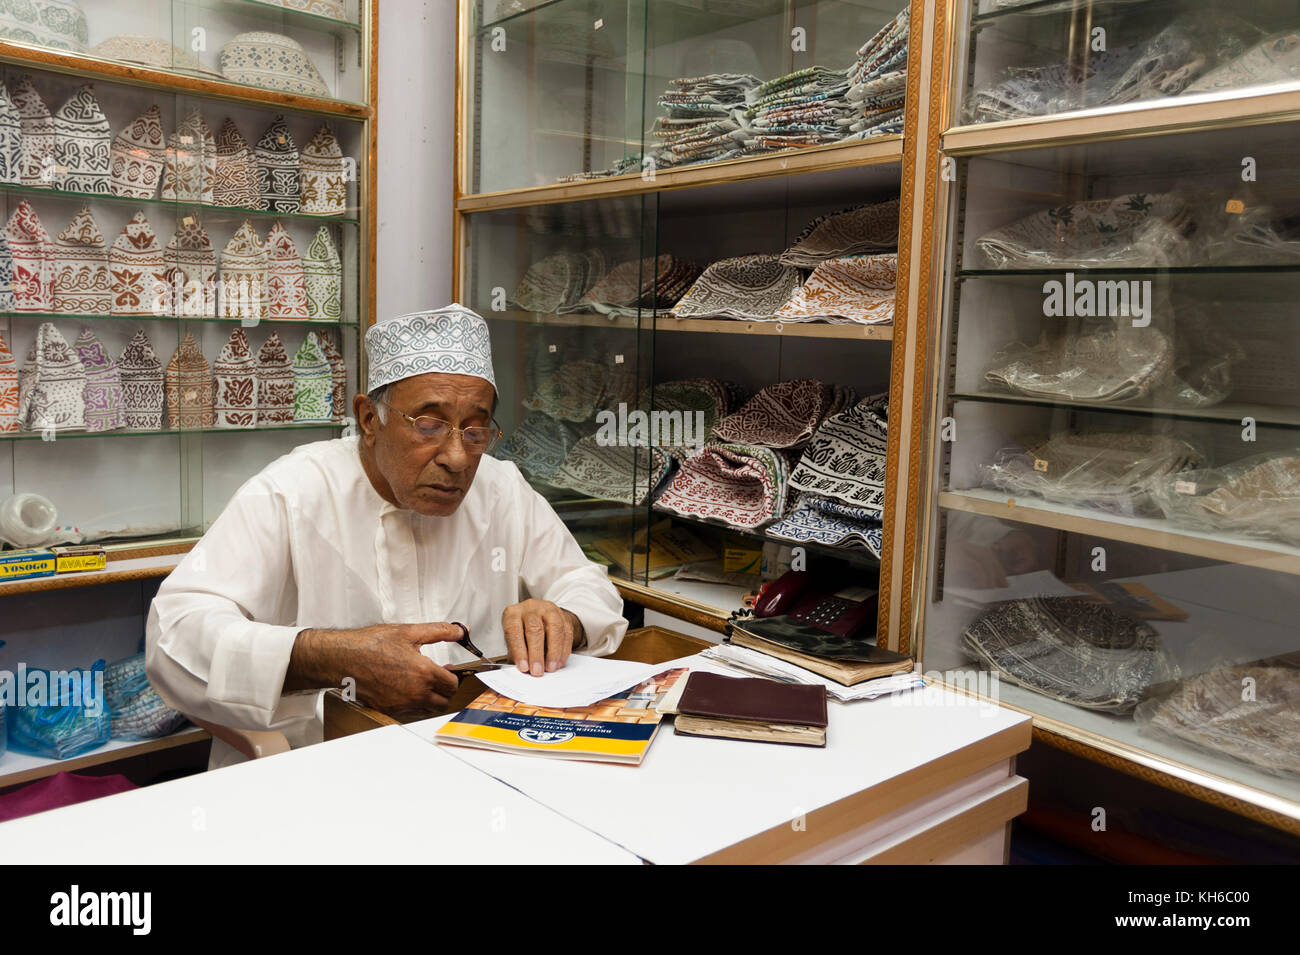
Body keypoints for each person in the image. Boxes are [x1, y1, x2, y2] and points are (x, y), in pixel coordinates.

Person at [146, 305, 628, 768]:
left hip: (480, 758)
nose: (458, 458)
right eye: (429, 425)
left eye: (476, 429)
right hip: (323, 771)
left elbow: (587, 587)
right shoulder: (293, 491)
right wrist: (332, 656)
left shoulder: (502, 488)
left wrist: (563, 618)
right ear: (369, 420)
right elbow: (176, 634)